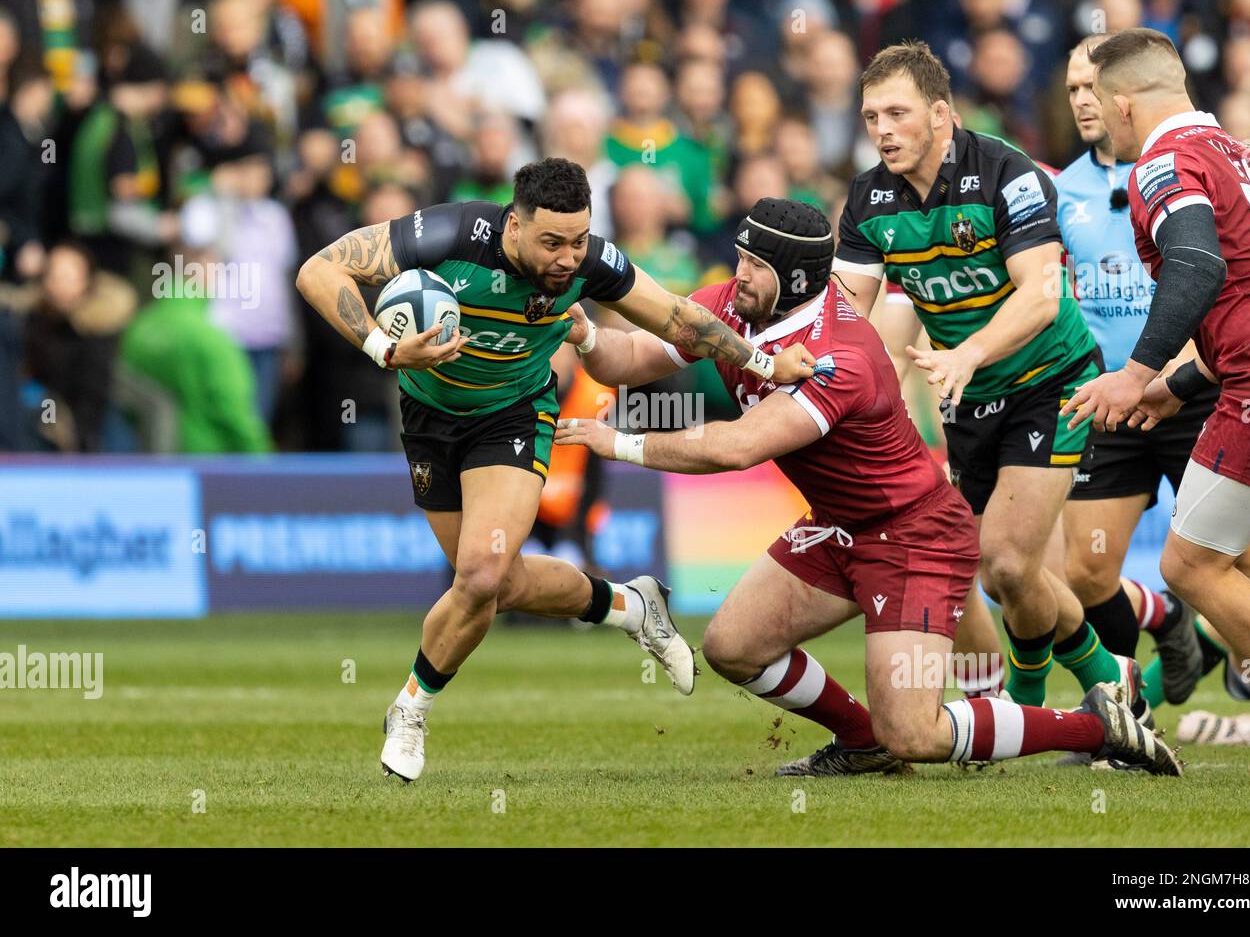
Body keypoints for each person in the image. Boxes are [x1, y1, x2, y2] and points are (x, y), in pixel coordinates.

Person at [556, 197, 1180, 777]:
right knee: (732, 646)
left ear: (796, 279)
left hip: (913, 535)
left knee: (919, 733)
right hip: (838, 524)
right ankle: (863, 742)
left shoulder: (838, 356)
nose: (736, 274)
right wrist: (582, 332)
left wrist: (621, 444)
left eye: (752, 264)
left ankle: (1094, 726)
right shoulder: (734, 306)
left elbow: (738, 446)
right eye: (740, 258)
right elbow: (631, 357)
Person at [296, 157, 816, 782]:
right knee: (493, 585)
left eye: (577, 240)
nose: (569, 258)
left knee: (481, 575)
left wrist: (763, 362)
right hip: (429, 416)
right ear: (512, 227)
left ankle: (410, 708)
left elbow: (680, 318)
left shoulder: (595, 261)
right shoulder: (451, 234)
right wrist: (384, 349)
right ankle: (629, 604)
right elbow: (317, 269)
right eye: (551, 242)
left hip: (513, 416)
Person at [830, 41, 1140, 713]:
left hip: (1051, 380)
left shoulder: (1006, 171)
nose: (881, 130)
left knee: (1004, 561)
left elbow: (1040, 296)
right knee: (992, 571)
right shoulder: (868, 197)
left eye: (896, 113)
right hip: (968, 398)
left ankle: (1041, 698)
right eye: (870, 117)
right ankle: (1106, 686)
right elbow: (847, 314)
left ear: (941, 115)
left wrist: (967, 352)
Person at [1064, 28, 1250, 787]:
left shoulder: (1163, 161)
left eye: (1099, 101)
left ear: (1123, 102)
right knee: (1216, 557)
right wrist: (1174, 387)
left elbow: (1198, 266)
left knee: (1194, 564)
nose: (1096, 114)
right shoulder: (1246, 156)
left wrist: (1134, 374)